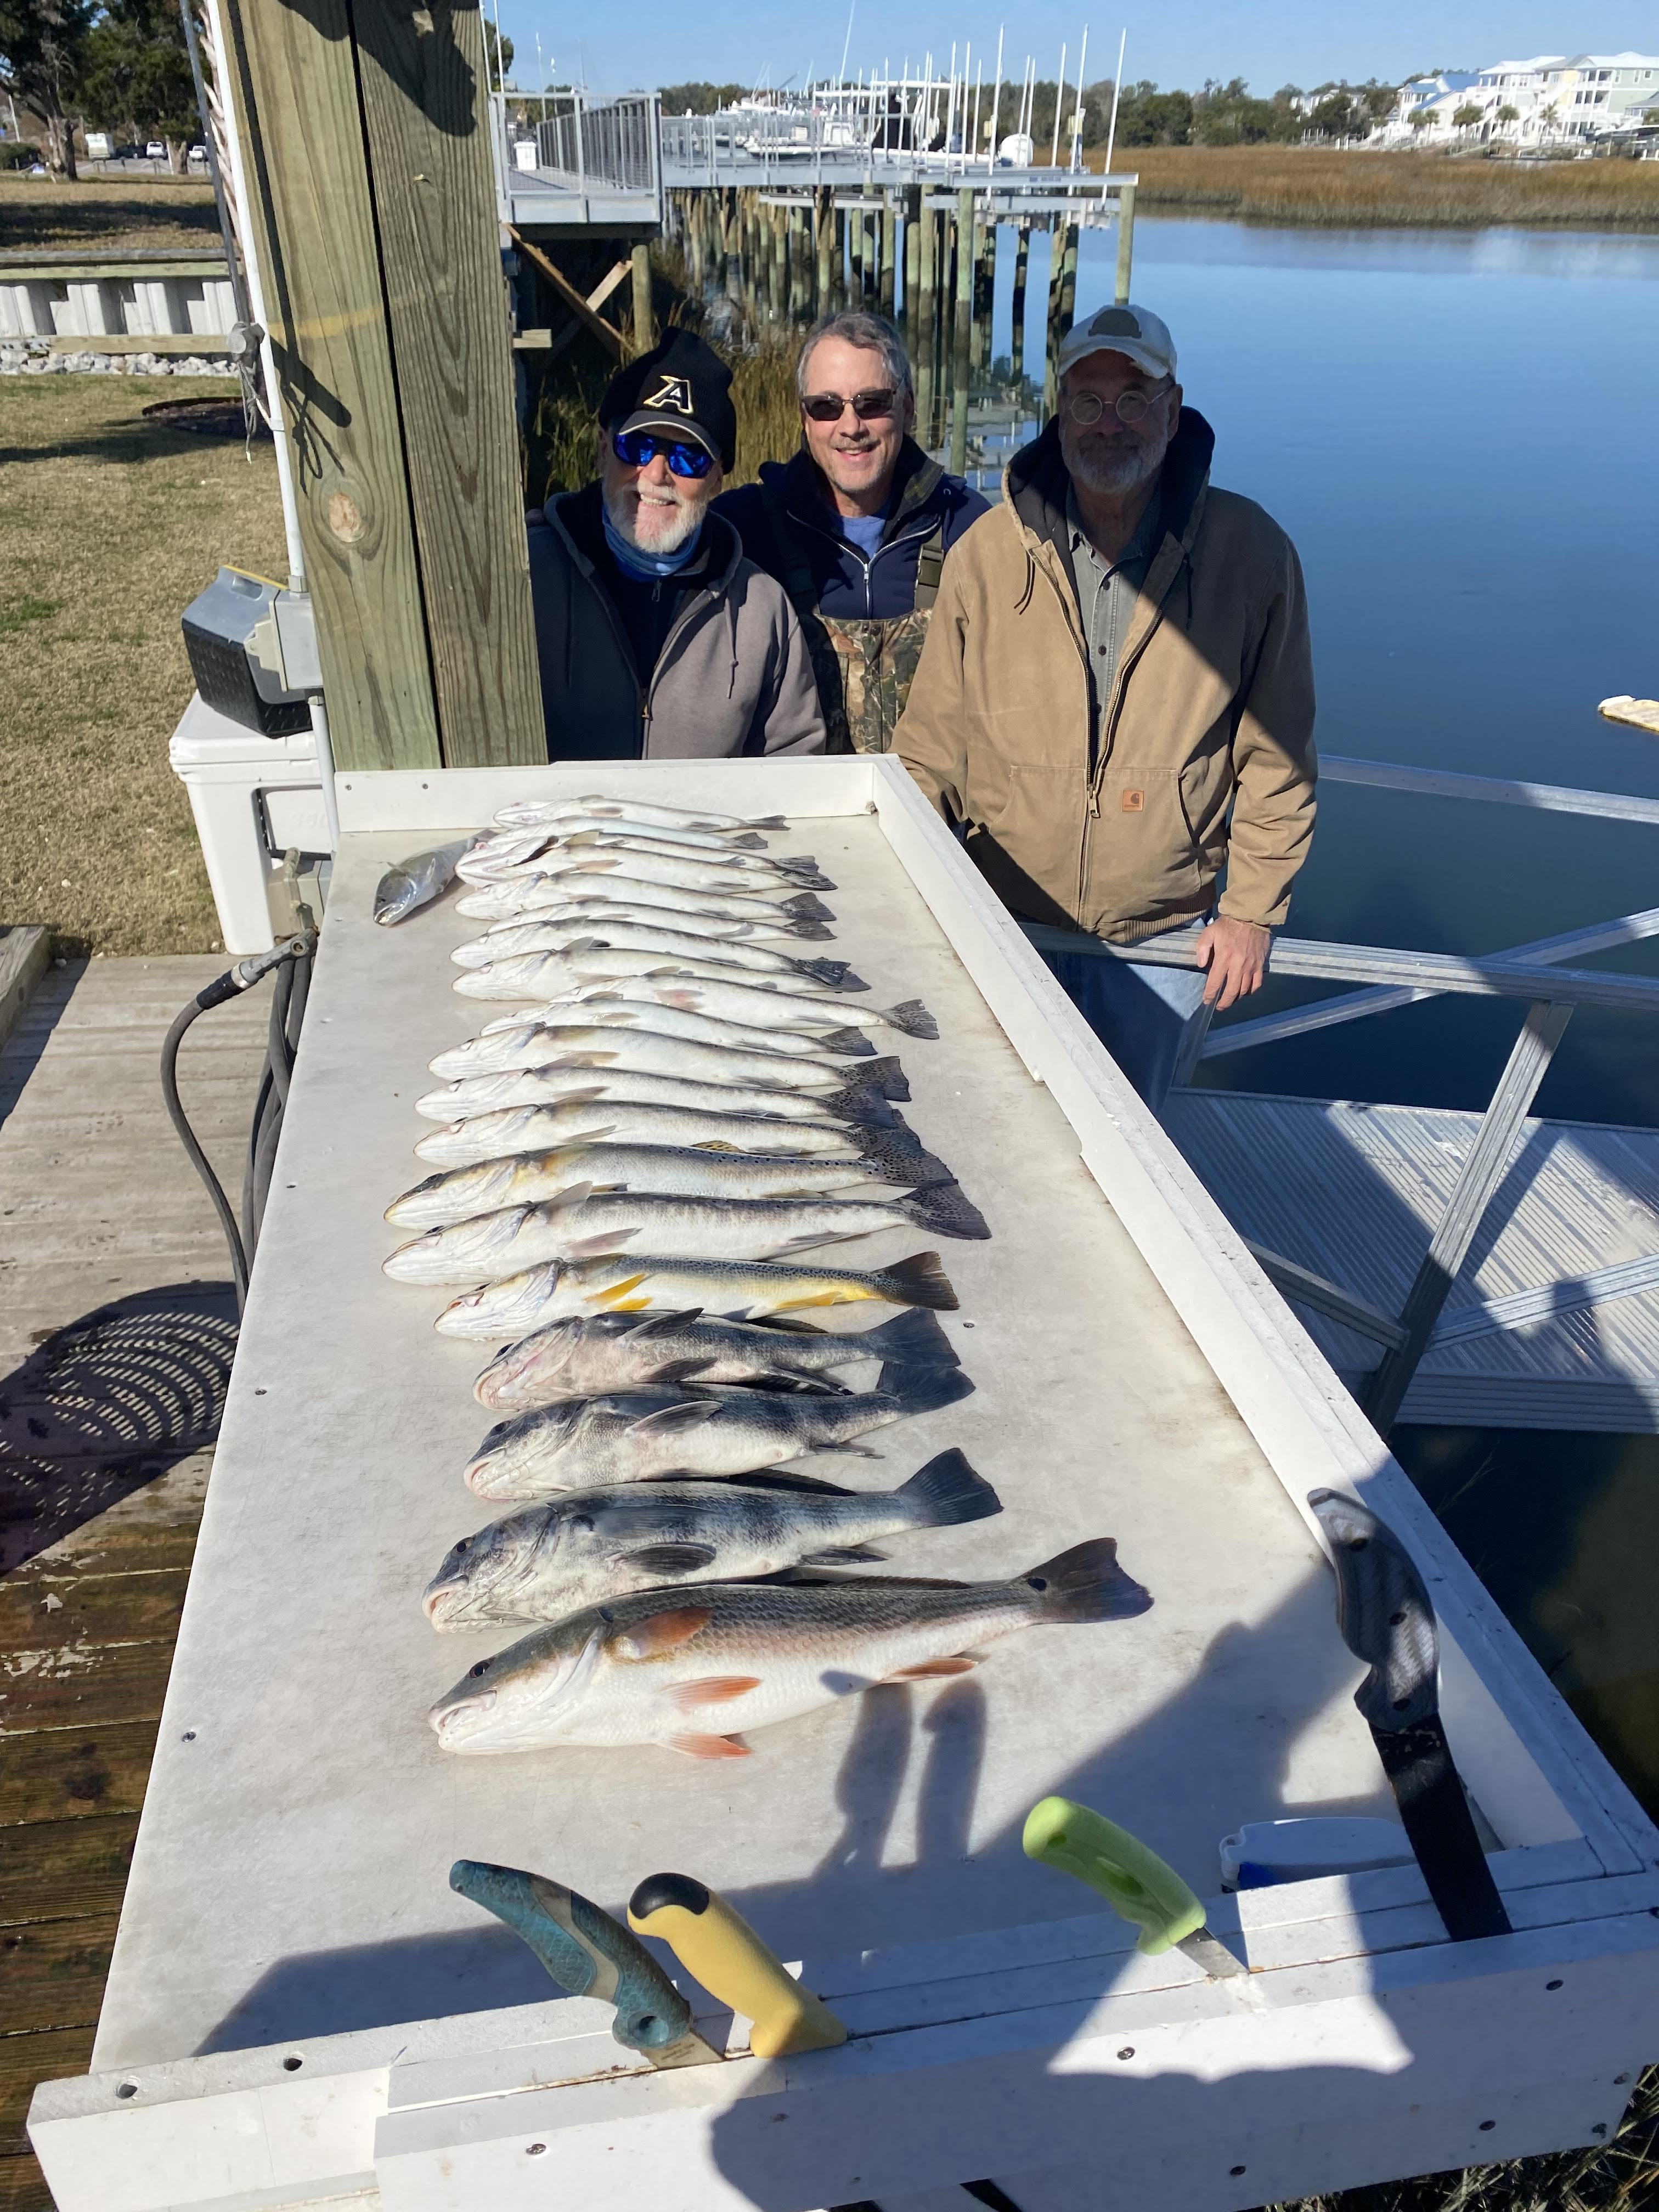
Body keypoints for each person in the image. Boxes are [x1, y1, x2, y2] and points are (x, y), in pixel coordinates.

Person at [894, 302, 1317, 1111]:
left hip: (1162, 948)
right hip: (1008, 926)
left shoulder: (1253, 551)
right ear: (1060, 413)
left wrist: (1254, 909)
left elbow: (1279, 758)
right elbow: (931, 750)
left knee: (1133, 1154)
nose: (1109, 424)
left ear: (1174, 405)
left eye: (1134, 398)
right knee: (1001, 1135)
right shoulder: (987, 550)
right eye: (1087, 401)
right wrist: (912, 897)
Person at [526, 329, 825, 759]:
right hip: (557, 827)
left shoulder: (762, 608)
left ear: (719, 478)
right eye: (639, 447)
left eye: (690, 458)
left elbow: (795, 763)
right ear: (602, 448)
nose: (656, 475)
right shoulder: (528, 576)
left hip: (701, 830)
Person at [714, 309, 987, 755]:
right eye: (825, 406)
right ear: (804, 419)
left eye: (872, 402)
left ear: (908, 407)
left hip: (932, 817)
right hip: (797, 813)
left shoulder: (967, 524)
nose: (850, 427)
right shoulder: (744, 528)